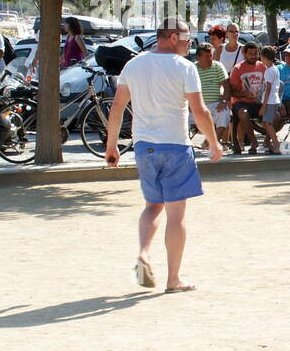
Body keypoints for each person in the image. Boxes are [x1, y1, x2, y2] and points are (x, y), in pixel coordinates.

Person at [104, 18, 221, 293]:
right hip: (175, 146)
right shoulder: (184, 67)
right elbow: (200, 111)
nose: (189, 44)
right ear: (171, 37)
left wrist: (112, 146)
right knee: (176, 216)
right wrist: (214, 143)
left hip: (144, 145)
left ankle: (144, 253)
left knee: (151, 206)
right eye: (186, 39)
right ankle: (173, 279)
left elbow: (117, 108)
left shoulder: (133, 65)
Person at [228, 42, 268, 154]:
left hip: (259, 101)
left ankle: (268, 140)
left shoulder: (262, 67)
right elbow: (232, 92)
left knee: (277, 114)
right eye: (251, 54)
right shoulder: (237, 69)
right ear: (244, 54)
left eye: (256, 53)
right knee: (243, 114)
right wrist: (245, 94)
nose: (254, 56)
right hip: (241, 102)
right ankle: (253, 141)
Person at [193, 43, 232, 148]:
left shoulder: (218, 66)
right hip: (196, 106)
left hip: (215, 104)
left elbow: (227, 87)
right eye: (206, 56)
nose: (210, 58)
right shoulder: (192, 69)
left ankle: (210, 143)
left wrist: (223, 101)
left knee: (224, 113)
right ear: (198, 57)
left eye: (211, 55)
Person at [256, 46, 283, 154]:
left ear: (263, 57)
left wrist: (263, 105)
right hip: (273, 99)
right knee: (267, 122)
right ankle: (271, 143)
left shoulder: (268, 71)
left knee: (267, 123)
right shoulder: (274, 68)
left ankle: (276, 145)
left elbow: (268, 89)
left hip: (270, 100)